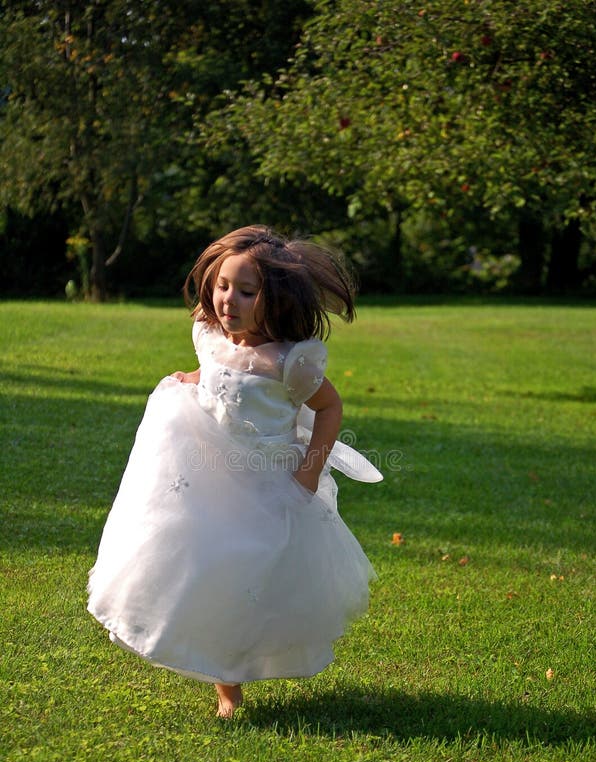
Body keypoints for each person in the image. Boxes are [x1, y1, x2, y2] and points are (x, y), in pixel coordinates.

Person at [87, 225, 382, 717]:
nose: (228, 300)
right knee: (205, 562)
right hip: (205, 472)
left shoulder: (290, 362)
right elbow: (214, 372)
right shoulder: (213, 335)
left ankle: (239, 664)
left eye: (246, 292)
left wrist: (309, 472)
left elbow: (330, 410)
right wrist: (190, 381)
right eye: (223, 286)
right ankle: (225, 687)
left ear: (276, 299)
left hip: (266, 481)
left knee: (253, 570)